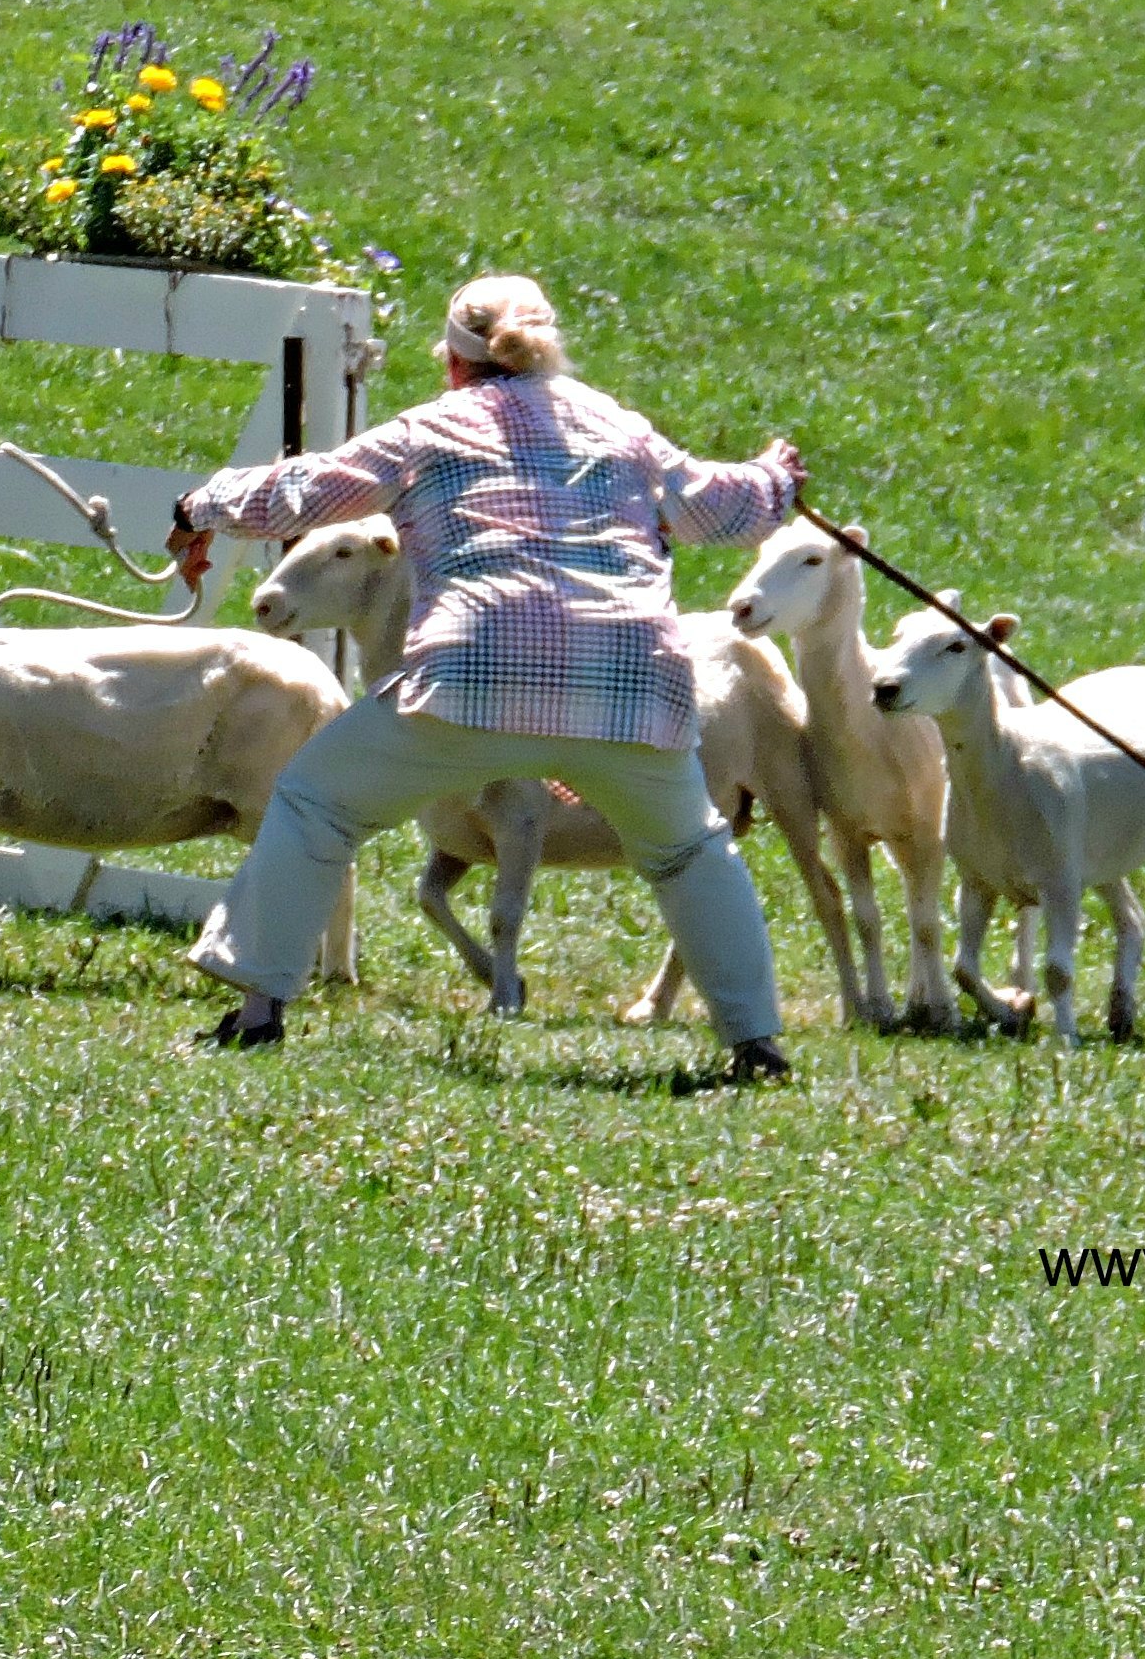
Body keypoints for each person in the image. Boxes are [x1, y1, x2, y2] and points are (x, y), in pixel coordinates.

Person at [166, 273, 807, 1080]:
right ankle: (756, 1045)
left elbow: (303, 492)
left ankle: (258, 1014)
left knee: (319, 802)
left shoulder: (429, 429)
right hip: (632, 682)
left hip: (472, 676)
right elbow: (725, 507)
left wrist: (201, 505)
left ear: (454, 364)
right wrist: (779, 480)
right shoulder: (619, 427)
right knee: (689, 851)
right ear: (544, 353)